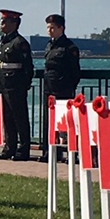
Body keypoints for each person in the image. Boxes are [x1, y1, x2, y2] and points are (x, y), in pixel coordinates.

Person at [39, 13, 81, 162]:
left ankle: (71, 152)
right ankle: (50, 152)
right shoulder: (50, 45)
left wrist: (68, 87)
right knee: (48, 122)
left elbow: (75, 72)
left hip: (63, 90)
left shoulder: (69, 47)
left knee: (66, 123)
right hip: (49, 89)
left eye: (52, 28)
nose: (49, 31)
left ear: (61, 28)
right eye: (48, 28)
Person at [0, 9, 33, 161]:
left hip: (15, 85)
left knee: (20, 118)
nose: (1, 24)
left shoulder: (20, 43)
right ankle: (9, 148)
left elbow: (27, 68)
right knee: (7, 117)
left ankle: (23, 150)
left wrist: (24, 85)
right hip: (3, 83)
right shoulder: (3, 41)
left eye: (4, 21)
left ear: (14, 23)